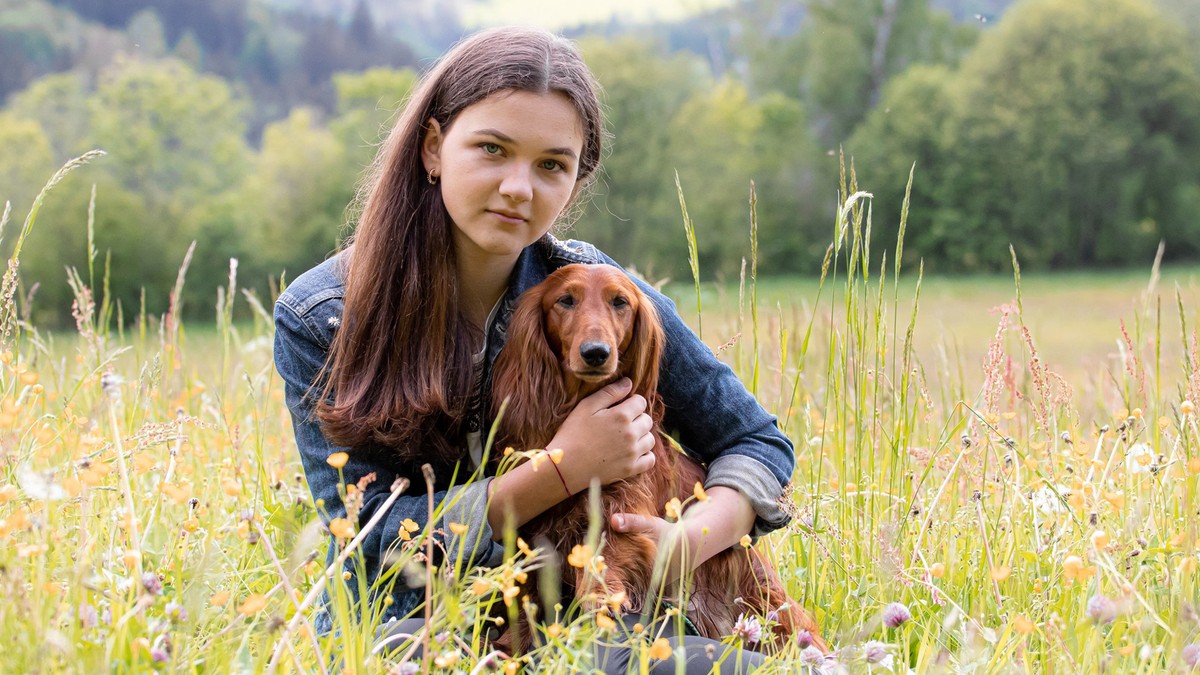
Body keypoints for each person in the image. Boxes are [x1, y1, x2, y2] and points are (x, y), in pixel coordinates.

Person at [273, 26, 796, 673]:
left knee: (691, 663)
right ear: (434, 148)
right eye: (492, 149)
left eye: (552, 164)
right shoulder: (324, 314)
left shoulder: (599, 292)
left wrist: (688, 542)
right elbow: (371, 531)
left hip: (590, 607)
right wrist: (564, 467)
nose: (520, 187)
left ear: (576, 181)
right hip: (412, 619)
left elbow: (756, 440)